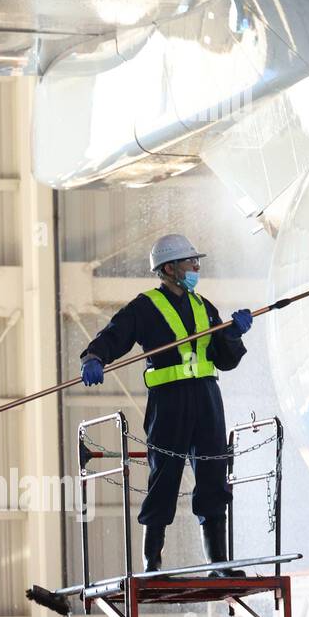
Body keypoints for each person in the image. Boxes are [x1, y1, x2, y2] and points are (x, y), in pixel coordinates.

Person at [79, 234, 254, 576]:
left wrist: (233, 333)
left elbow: (224, 359)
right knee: (165, 478)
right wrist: (94, 357)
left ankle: (218, 563)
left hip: (207, 399)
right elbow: (117, 333)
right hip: (170, 402)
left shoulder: (204, 307)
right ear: (169, 268)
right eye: (190, 262)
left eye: (196, 262)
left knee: (213, 475)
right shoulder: (145, 307)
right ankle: (153, 565)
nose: (196, 267)